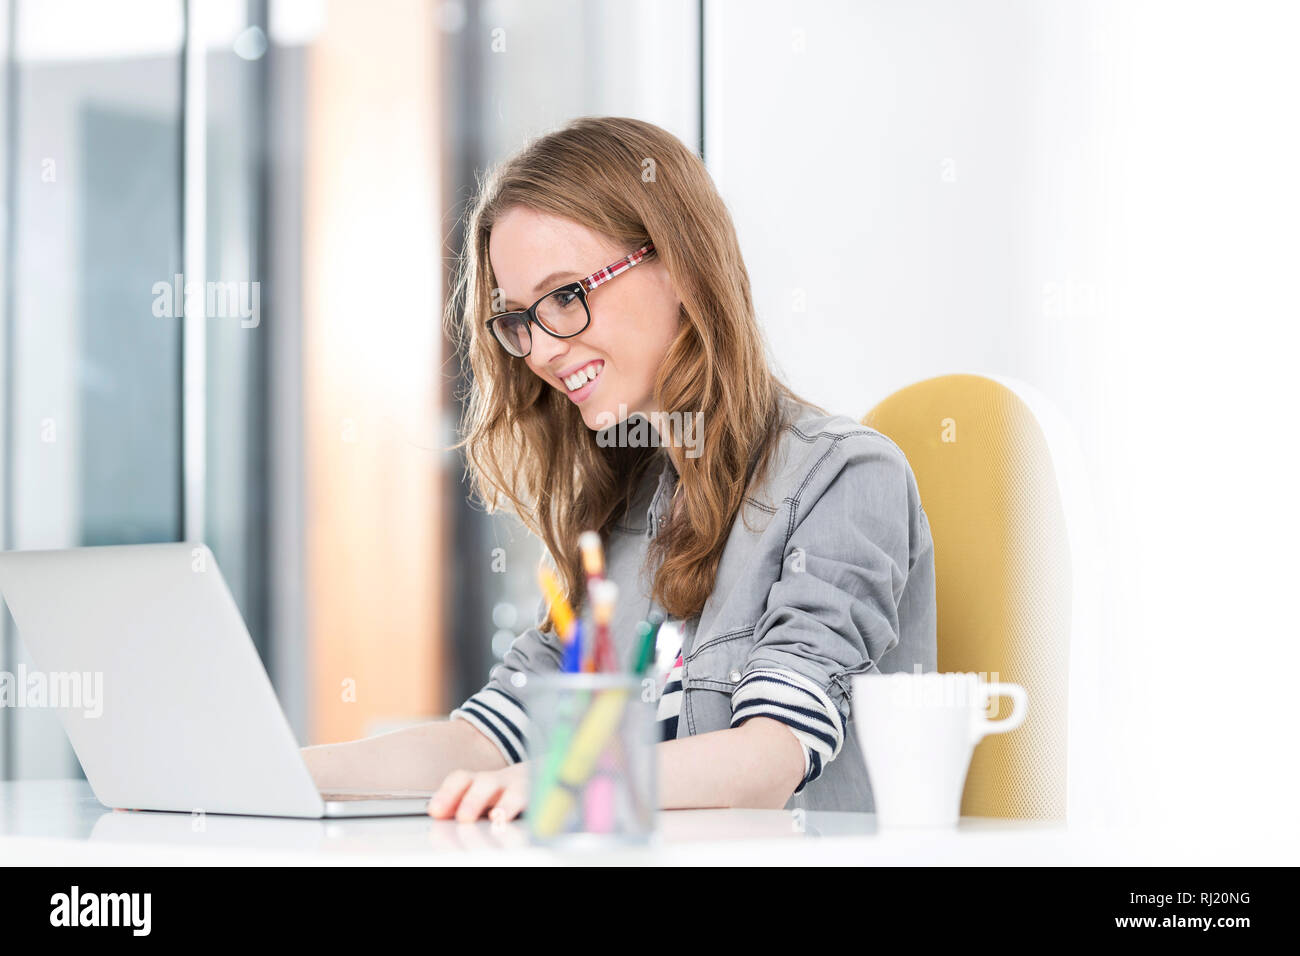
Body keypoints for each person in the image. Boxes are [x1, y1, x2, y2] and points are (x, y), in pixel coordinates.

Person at [300, 116, 936, 822]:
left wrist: (562, 781)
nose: (539, 350)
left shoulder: (842, 478)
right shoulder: (622, 505)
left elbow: (770, 759)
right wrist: (284, 773)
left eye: (566, 296)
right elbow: (488, 741)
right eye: (518, 319)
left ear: (681, 264)